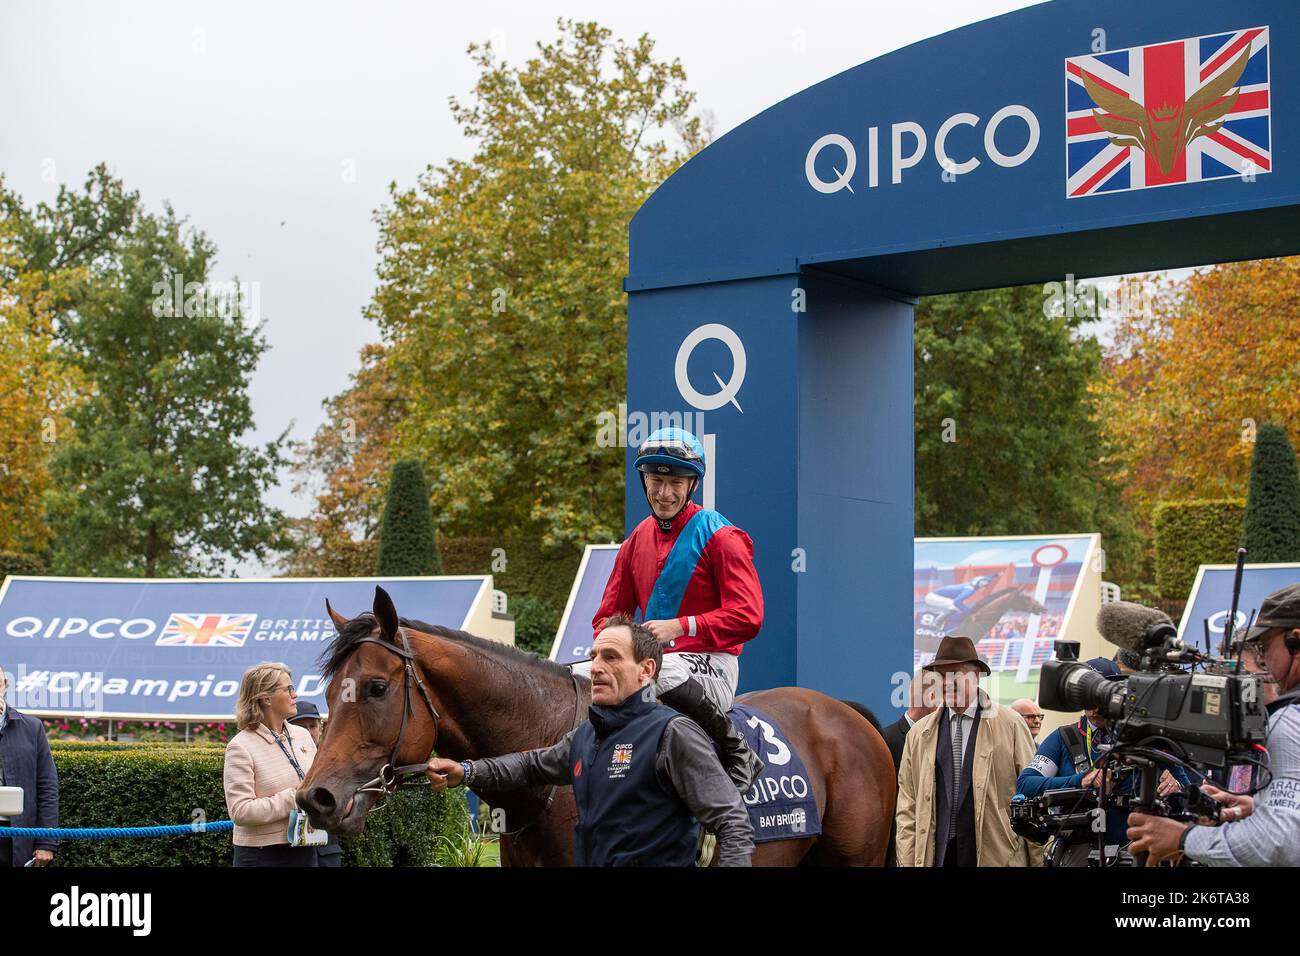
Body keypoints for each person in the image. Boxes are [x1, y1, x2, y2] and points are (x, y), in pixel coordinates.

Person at [426, 614, 754, 866]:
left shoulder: (673, 734)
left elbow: (733, 823)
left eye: (611, 657)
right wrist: (466, 772)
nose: (596, 667)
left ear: (646, 670)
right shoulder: (587, 735)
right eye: (594, 656)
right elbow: (530, 766)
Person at [586, 427, 764, 791]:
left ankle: (736, 749)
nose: (664, 493)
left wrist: (680, 627)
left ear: (692, 485)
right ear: (644, 480)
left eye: (676, 483)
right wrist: (617, 645)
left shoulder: (721, 536)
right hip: (652, 664)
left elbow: (749, 616)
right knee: (574, 674)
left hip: (712, 664)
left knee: (656, 671)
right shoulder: (635, 540)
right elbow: (608, 617)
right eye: (655, 480)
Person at [1128, 582, 1300, 866]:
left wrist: (1183, 838)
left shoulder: (1289, 718)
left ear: (1295, 639)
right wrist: (1259, 807)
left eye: (1266, 645)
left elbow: (1280, 841)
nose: (1267, 658)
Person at [1016, 658, 1185, 866]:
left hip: (1138, 852)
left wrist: (1175, 786)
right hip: (1078, 852)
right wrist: (1080, 781)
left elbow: (1188, 791)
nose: (1093, 708)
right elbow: (1026, 784)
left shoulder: (1148, 738)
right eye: (1087, 696)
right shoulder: (1063, 738)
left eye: (1099, 697)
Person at [896, 635, 1042, 867]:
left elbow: (1033, 798)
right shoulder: (918, 735)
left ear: (976, 676)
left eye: (956, 674)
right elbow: (907, 809)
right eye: (942, 676)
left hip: (997, 858)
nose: (947, 682)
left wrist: (1038, 863)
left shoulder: (1011, 724)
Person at [223, 662, 320, 867]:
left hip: (307, 847)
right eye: (288, 689)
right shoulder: (240, 747)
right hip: (262, 855)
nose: (295, 695)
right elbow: (240, 812)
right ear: (266, 698)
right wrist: (296, 797)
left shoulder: (302, 736)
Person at [0, 663, 58, 867]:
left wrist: (46, 841)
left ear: (5, 686)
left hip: (18, 835)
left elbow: (47, 787)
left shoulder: (32, 727)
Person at [288, 699, 341, 868]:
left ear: (321, 727)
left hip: (327, 850)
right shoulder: (280, 760)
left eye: (313, 726)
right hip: (289, 851)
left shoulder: (337, 760)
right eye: (301, 727)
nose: (309, 732)